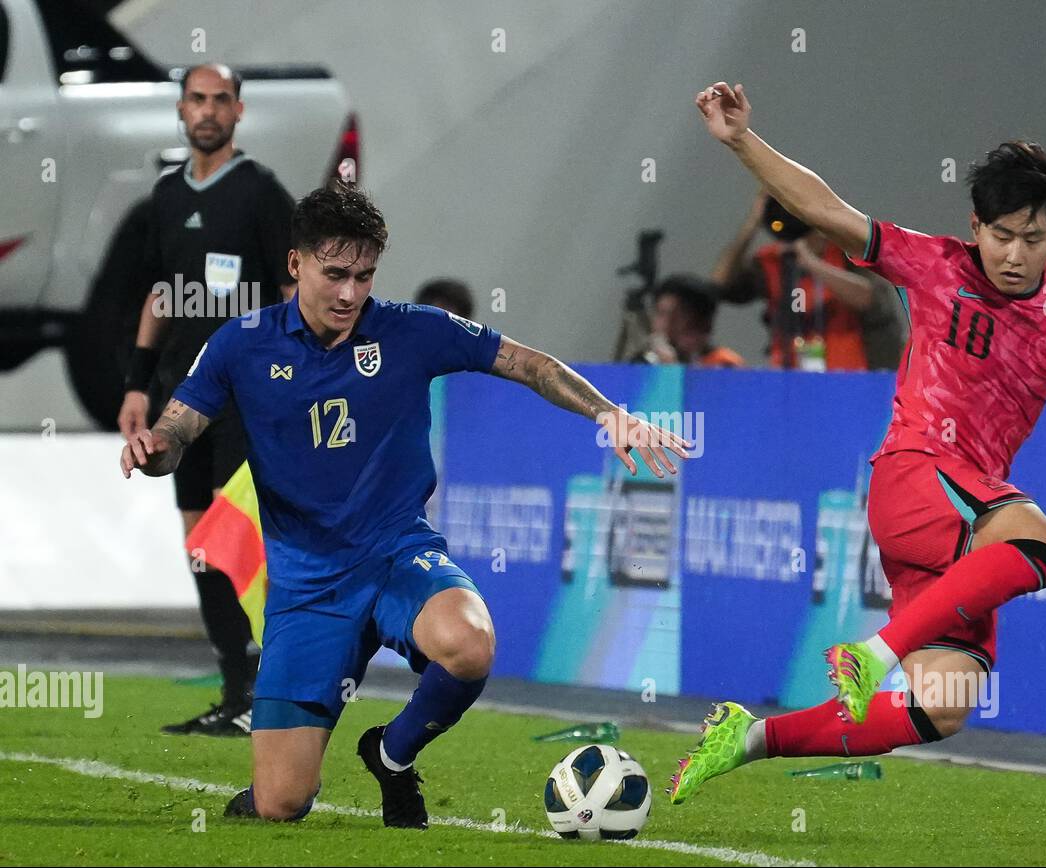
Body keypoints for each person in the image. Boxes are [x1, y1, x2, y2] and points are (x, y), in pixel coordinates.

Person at [668, 81, 1046, 804]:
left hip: (961, 528)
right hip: (918, 475)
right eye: (1002, 235)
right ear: (974, 226)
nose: (1015, 254)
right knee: (1044, 547)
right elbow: (824, 207)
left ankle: (750, 737)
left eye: (1033, 238)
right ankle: (871, 652)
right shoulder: (933, 265)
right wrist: (739, 141)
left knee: (939, 709)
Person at [119, 183, 688, 827]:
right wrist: (152, 451)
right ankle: (275, 786)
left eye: (364, 276)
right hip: (307, 585)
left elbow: (528, 364)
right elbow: (177, 433)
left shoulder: (412, 331)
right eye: (334, 274)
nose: (349, 294)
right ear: (295, 263)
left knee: (470, 643)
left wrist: (608, 413)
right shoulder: (241, 344)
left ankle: (390, 757)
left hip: (396, 554)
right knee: (281, 804)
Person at [116, 63, 296, 737]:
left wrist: (292, 378)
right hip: (178, 400)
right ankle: (235, 690)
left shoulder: (259, 193)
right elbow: (160, 295)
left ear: (240, 112)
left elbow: (289, 295)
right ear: (181, 109)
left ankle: (274, 693)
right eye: (198, 99)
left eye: (222, 100)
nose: (209, 111)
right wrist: (137, 385)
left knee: (239, 540)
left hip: (247, 402)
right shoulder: (166, 196)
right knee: (199, 543)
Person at [712, 191, 886, 370]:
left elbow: (867, 298)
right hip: (789, 377)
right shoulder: (773, 261)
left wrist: (811, 263)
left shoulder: (846, 251)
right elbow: (719, 284)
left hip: (846, 376)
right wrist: (752, 223)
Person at [643, 274, 744, 368]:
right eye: (661, 313)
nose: (666, 325)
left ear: (703, 324)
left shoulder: (725, 364)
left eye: (679, 316)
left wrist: (670, 369)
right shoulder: (643, 362)